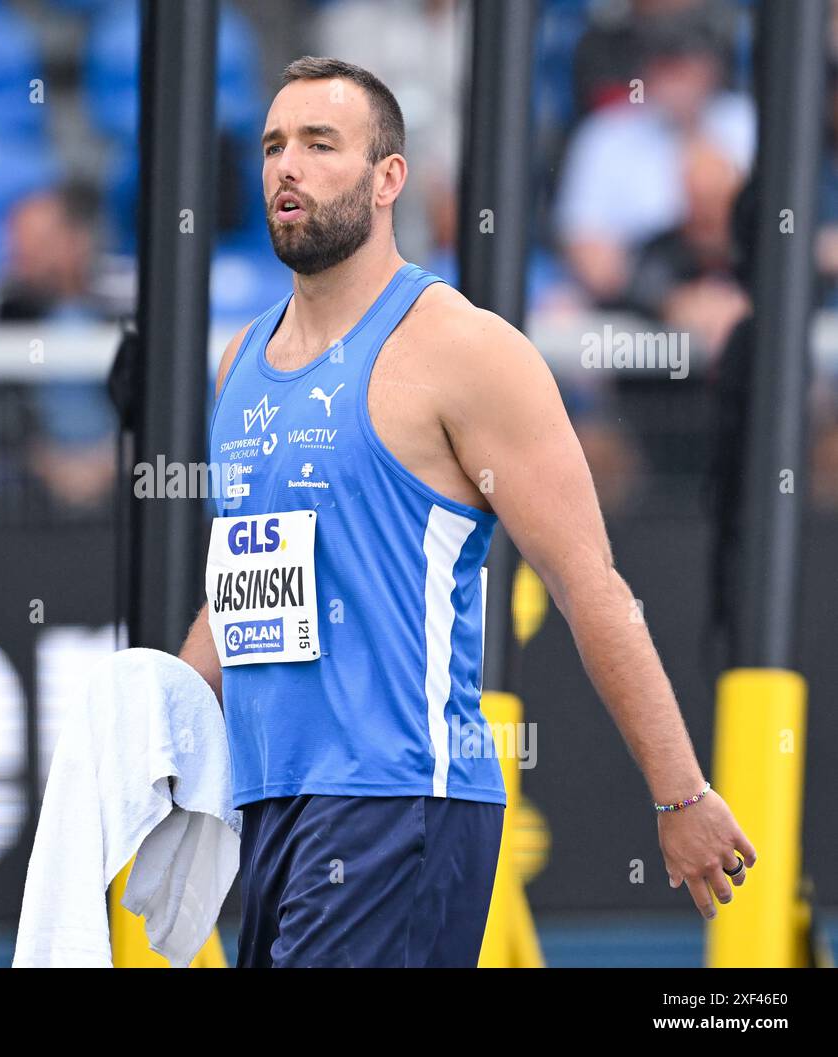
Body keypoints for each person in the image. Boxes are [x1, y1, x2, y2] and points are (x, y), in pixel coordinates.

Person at [175, 56, 756, 968]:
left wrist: (680, 796)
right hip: (275, 802)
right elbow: (243, 586)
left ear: (387, 178)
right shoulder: (242, 358)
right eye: (274, 144)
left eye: (321, 144)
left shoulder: (466, 351)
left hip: (400, 801)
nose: (287, 165)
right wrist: (159, 732)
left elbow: (589, 584)